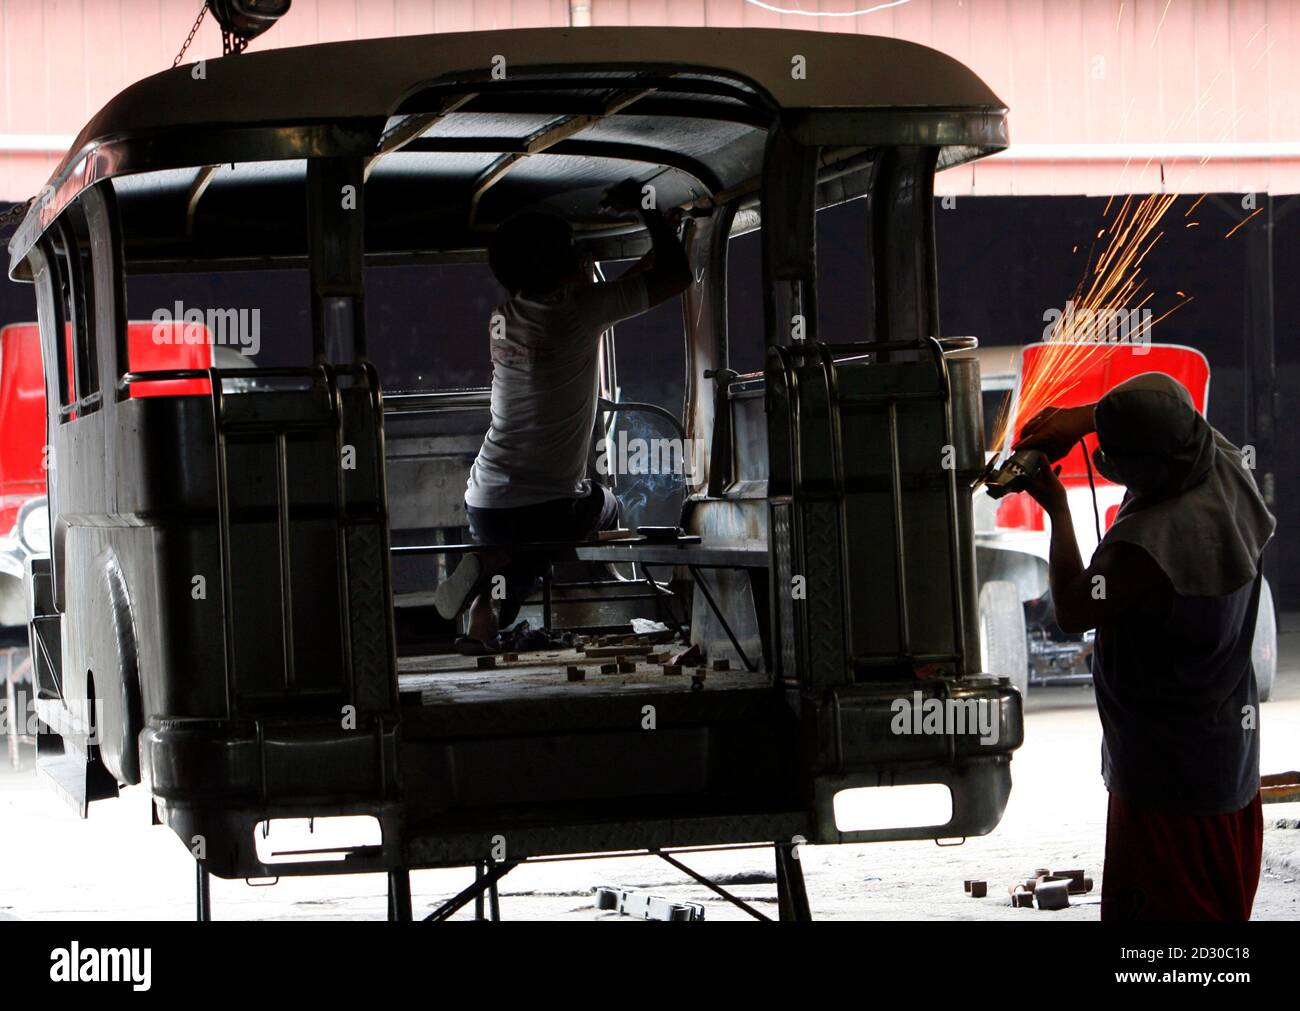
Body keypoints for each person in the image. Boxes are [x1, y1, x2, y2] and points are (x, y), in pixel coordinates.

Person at [1014, 372, 1275, 921]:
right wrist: (1082, 418)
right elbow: (1171, 414)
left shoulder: (1147, 548)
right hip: (1227, 763)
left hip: (1168, 785)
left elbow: (1072, 609)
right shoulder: (1222, 465)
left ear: (1141, 470)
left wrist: (1055, 506)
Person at [433, 179, 692, 651]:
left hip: (485, 498)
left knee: (520, 559)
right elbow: (678, 277)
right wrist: (649, 212)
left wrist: (654, 248)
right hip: (546, 509)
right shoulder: (578, 310)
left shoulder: (508, 315)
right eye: (570, 249)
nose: (579, 258)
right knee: (606, 504)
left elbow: (618, 293)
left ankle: (482, 613)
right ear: (552, 263)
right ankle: (609, 576)